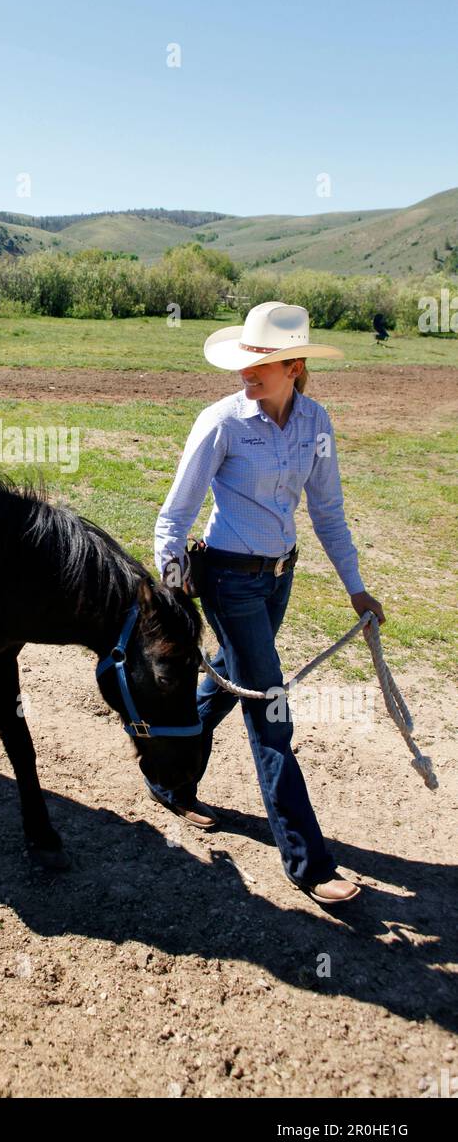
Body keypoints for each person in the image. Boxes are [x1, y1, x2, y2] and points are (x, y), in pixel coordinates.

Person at [153, 301, 385, 906]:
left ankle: (166, 772)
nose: (246, 375)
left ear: (296, 367)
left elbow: (328, 513)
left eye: (261, 365)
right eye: (245, 364)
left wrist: (355, 587)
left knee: (232, 680)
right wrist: (174, 581)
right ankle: (308, 863)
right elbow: (174, 515)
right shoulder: (222, 422)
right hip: (228, 579)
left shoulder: (316, 425)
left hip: (279, 576)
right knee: (271, 707)